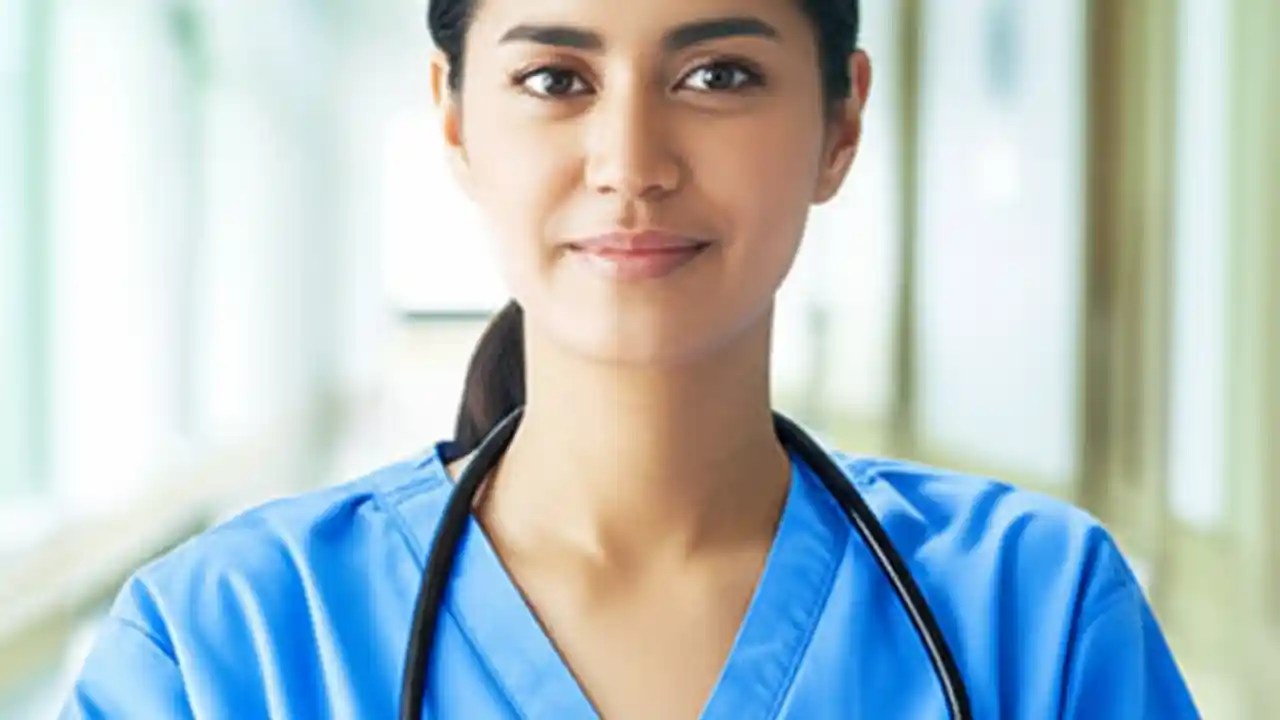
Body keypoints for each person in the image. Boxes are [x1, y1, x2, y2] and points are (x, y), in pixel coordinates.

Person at [62, 0, 1200, 717]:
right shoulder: (228, 645)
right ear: (454, 121)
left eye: (717, 76)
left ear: (838, 125)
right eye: (557, 79)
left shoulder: (1034, 614)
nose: (631, 163)